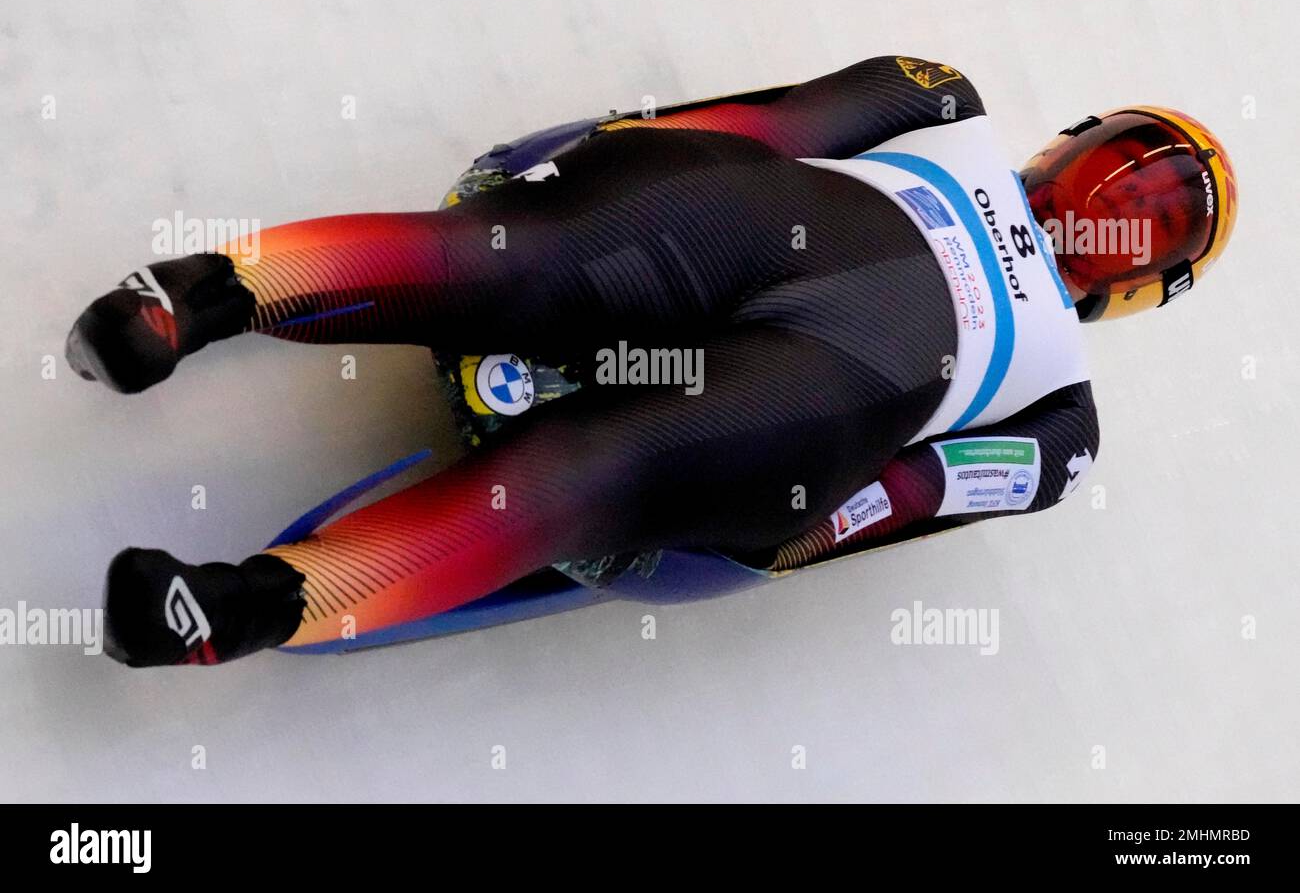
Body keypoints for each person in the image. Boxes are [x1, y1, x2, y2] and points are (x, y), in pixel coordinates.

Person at [65, 55, 1238, 667]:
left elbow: (728, 133)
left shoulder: (1057, 414)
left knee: (522, 284)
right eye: (1124, 177)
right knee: (578, 429)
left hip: (788, 310)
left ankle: (198, 305)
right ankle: (243, 606)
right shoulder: (939, 112)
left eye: (1146, 214)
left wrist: (583, 172)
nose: (1115, 208)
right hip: (805, 313)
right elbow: (757, 131)